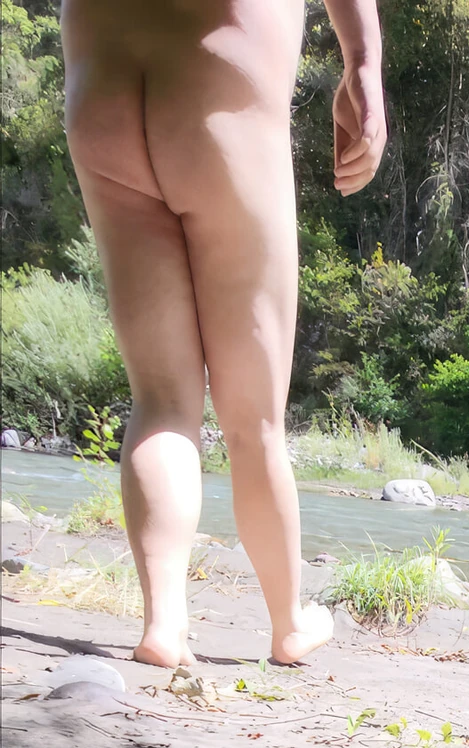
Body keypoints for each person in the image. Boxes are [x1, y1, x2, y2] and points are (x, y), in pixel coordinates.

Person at [60, 0, 387, 667]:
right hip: (221, 99)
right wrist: (364, 63)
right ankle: (287, 623)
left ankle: (165, 621)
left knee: (162, 399)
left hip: (101, 94)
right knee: (253, 420)